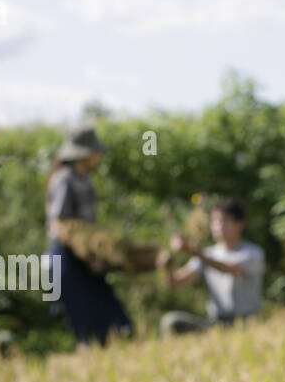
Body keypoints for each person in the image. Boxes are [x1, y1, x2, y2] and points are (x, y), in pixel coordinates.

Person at [45, 125, 134, 345]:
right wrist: (86, 249)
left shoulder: (83, 177)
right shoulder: (64, 179)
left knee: (109, 313)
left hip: (85, 254)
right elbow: (61, 223)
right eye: (95, 152)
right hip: (67, 254)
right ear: (84, 154)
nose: (98, 156)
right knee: (84, 319)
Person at [156, 198, 265, 334]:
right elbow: (177, 284)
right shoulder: (207, 254)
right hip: (215, 323)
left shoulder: (252, 253)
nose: (217, 226)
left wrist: (192, 250)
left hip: (246, 322)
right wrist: (168, 268)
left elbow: (226, 268)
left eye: (224, 221)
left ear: (240, 224)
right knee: (171, 321)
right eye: (214, 221)